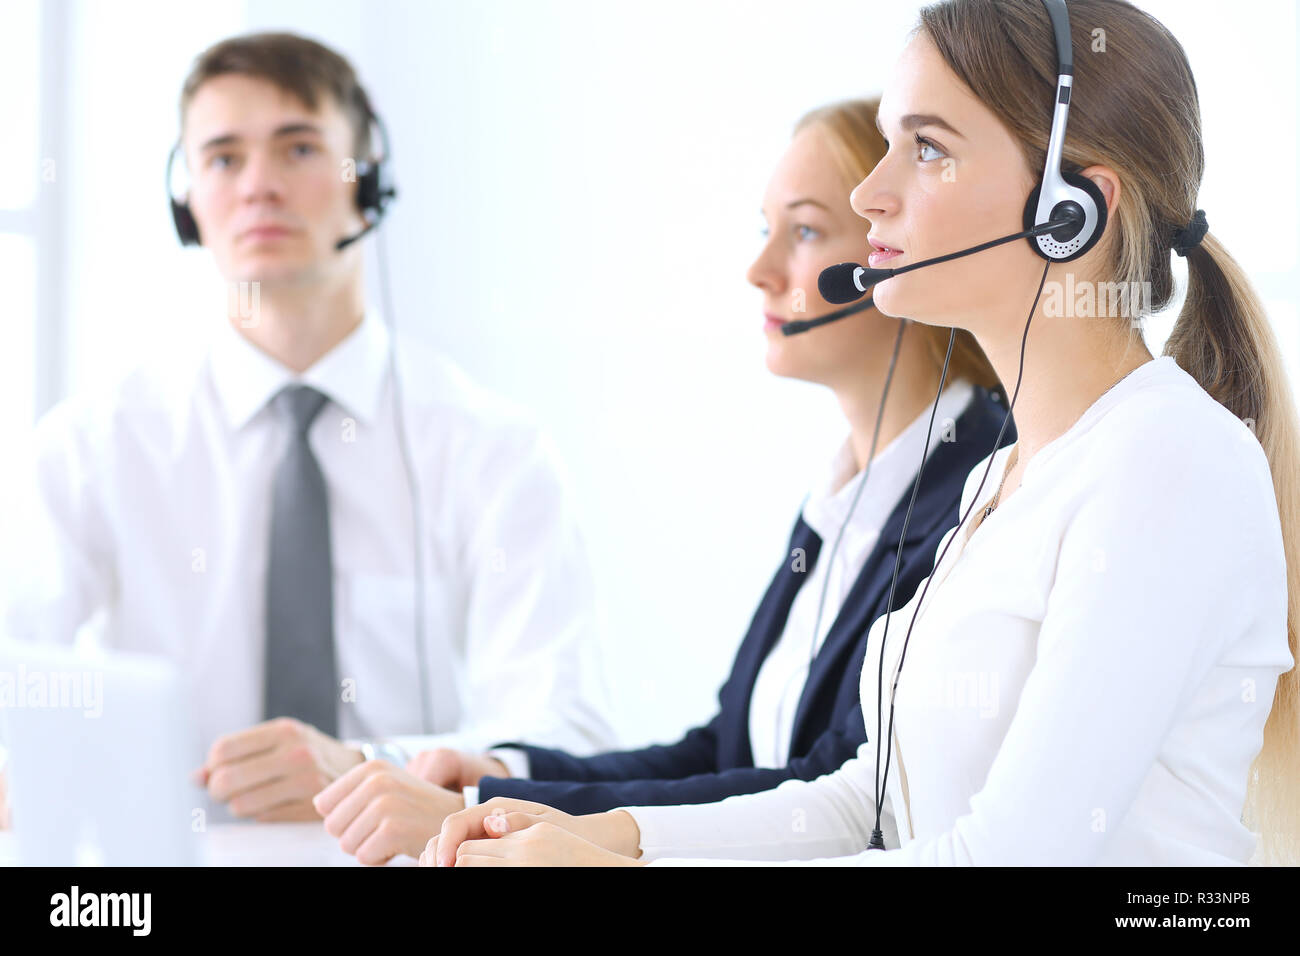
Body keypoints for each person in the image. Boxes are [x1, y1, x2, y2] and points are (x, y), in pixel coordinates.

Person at [423, 0, 1300, 867]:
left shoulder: (1167, 462)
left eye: (927, 148)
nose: (870, 194)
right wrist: (608, 834)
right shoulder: (996, 480)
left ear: (1069, 209)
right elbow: (862, 798)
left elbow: (1010, 859)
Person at [312, 97, 1016, 865]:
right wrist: (508, 776)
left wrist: (498, 815)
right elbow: (725, 749)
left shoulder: (984, 490)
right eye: (765, 229)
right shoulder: (844, 497)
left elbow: (838, 789)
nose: (759, 270)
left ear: (896, 252)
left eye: (806, 232)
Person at [0, 32, 612, 825]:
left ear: (371, 184)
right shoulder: (92, 445)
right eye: (222, 158)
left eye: (298, 148)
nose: (259, 185)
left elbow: (568, 732)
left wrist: (372, 767)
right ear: (186, 202)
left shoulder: (491, 449)